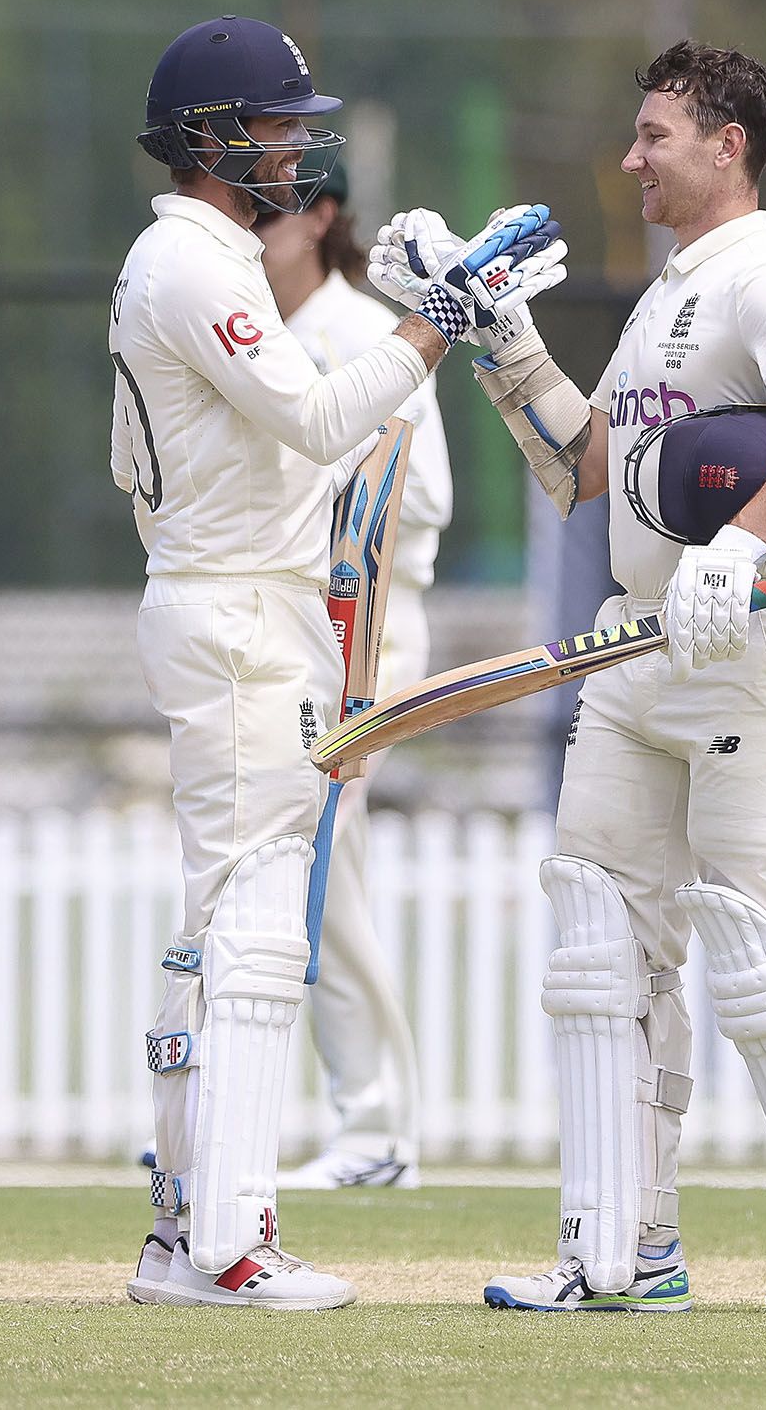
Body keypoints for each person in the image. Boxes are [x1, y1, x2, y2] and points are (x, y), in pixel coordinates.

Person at [372, 40, 766, 1316]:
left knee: (762, 943)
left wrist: (739, 547)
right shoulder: (661, 298)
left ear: (726, 145)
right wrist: (502, 341)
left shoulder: (763, 279)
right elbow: (588, 470)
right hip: (633, 643)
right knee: (600, 939)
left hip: (747, 643)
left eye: (654, 137)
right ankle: (619, 1247)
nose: (629, 160)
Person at [111, 15, 563, 1309]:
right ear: (211, 136)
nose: (293, 150)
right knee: (252, 924)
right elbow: (316, 421)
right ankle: (226, 1244)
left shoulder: (196, 257)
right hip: (238, 616)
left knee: (224, 921)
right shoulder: (191, 263)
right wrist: (435, 325)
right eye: (274, 126)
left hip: (240, 605)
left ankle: (183, 1231)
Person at [254, 153, 452, 1189]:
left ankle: (376, 1131)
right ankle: (278, 1118)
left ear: (321, 214)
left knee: (324, 862)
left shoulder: (363, 331)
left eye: (270, 207)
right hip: (289, 625)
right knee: (288, 860)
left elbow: (426, 496)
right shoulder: (258, 331)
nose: (249, 226)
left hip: (368, 623)